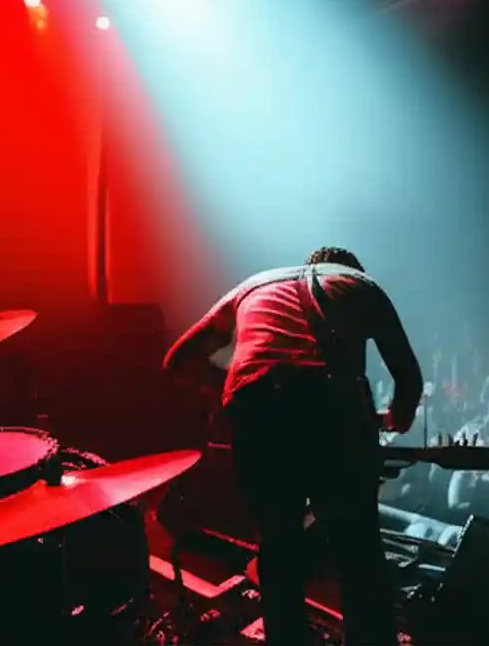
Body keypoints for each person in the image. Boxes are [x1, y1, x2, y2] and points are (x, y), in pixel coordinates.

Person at [163, 247, 422, 646]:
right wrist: (396, 419)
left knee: (278, 547)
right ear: (350, 271)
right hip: (332, 413)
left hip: (258, 417)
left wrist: (234, 388)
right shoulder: (361, 285)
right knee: (359, 554)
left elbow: (179, 360)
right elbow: (407, 375)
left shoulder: (250, 286)